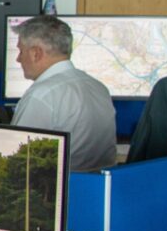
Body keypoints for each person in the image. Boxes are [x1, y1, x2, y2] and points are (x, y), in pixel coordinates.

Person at [12, 14, 116, 172]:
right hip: (96, 191)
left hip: (58, 193)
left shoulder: (42, 96)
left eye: (21, 51)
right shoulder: (98, 87)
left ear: (36, 53)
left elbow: (17, 159)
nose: (18, 59)